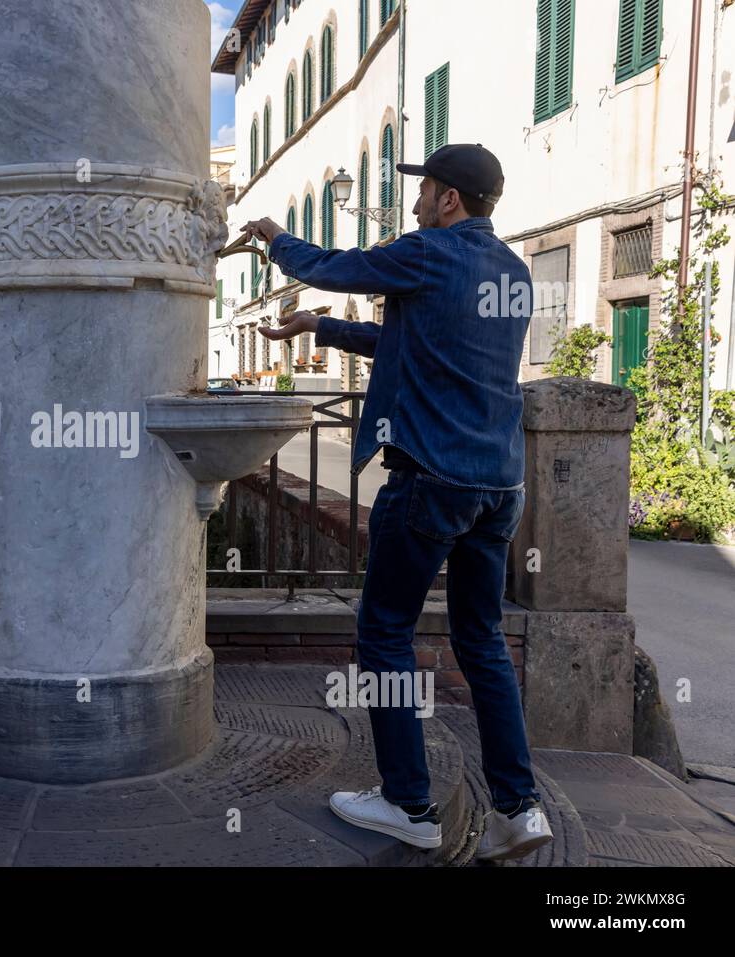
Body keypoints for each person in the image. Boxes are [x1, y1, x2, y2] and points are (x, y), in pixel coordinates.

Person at [241, 143, 553, 862]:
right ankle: (518, 806)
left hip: (430, 480)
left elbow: (331, 266)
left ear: (449, 199)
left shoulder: (430, 252)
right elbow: (409, 339)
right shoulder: (512, 271)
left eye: (424, 193)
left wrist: (273, 238)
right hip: (498, 486)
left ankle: (408, 803)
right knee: (481, 640)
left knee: (383, 631)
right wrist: (318, 328)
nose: (414, 205)